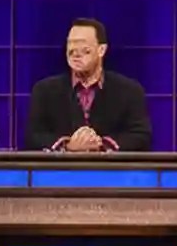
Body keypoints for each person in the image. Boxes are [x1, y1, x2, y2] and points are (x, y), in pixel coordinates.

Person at [24, 17, 152, 152]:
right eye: (71, 43)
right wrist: (68, 145)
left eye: (81, 44)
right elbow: (33, 137)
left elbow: (141, 136)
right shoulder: (44, 91)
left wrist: (101, 145)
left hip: (111, 171)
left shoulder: (129, 90)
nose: (74, 51)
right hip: (61, 171)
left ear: (101, 50)